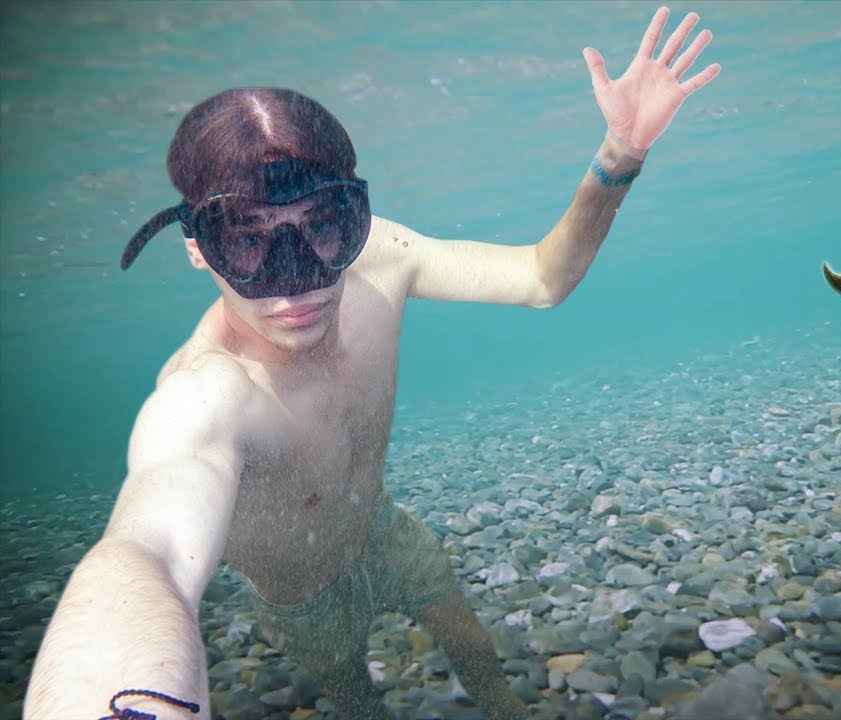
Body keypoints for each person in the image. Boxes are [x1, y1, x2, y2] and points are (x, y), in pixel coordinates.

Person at [24, 7, 720, 719]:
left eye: (323, 227)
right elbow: (147, 556)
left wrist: (621, 152)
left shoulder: (381, 259)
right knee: (358, 701)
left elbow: (543, 278)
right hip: (299, 596)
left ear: (354, 218)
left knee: (472, 646)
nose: (296, 281)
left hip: (382, 528)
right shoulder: (206, 397)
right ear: (198, 245)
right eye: (248, 240)